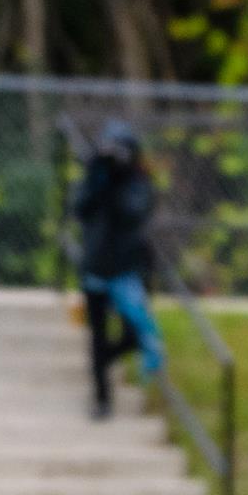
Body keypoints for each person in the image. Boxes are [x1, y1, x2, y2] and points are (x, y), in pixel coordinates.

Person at [72, 121, 165, 420]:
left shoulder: (138, 182)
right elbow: (78, 209)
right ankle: (102, 399)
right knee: (97, 337)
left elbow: (133, 214)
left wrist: (117, 180)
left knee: (134, 333)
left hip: (127, 270)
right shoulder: (95, 177)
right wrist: (97, 177)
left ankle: (107, 360)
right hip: (95, 269)